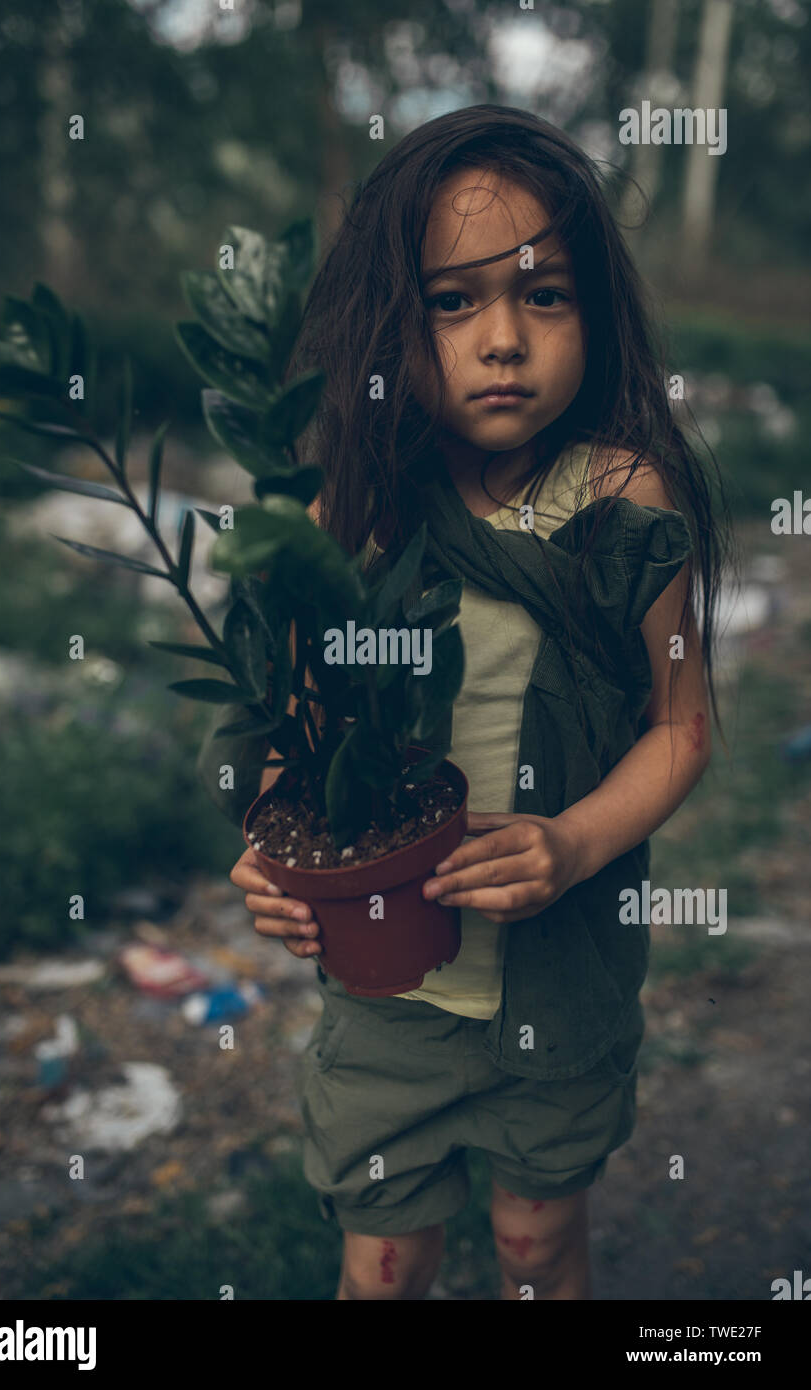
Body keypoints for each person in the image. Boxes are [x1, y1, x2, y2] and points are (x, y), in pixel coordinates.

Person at [221, 104, 733, 1300]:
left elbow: (681, 725)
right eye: (453, 301)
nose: (502, 338)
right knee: (382, 1261)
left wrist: (571, 843)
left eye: (541, 293)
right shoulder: (349, 509)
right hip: (387, 988)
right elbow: (281, 742)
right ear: (388, 322)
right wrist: (269, 861)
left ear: (594, 314)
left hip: (561, 976)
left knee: (536, 1245)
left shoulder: (619, 498)